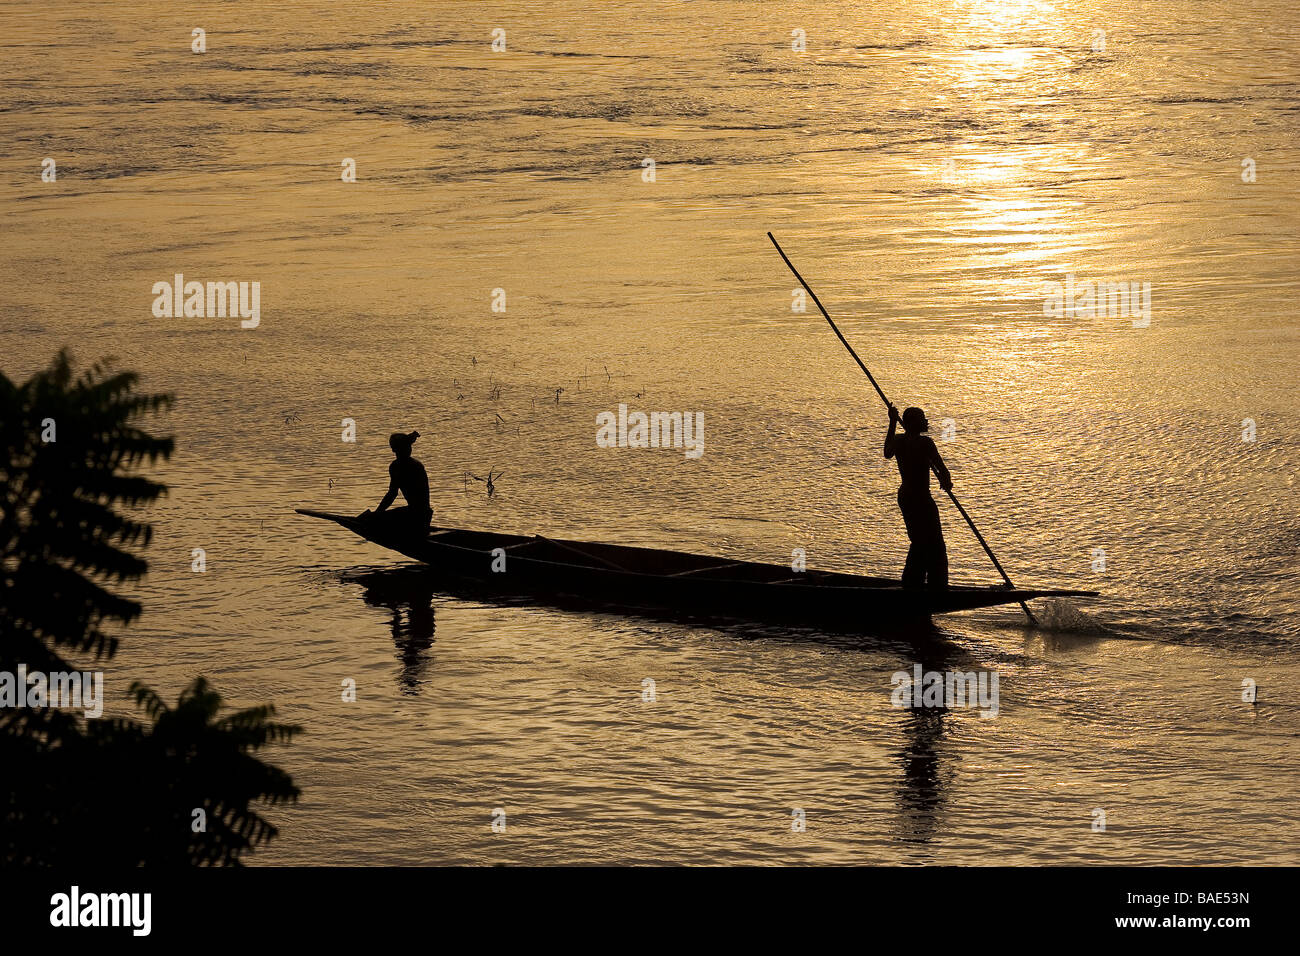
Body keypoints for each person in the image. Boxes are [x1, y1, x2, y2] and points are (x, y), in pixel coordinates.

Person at [884, 405, 951, 589]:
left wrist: (891, 422)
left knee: (919, 541)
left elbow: (887, 452)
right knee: (934, 542)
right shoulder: (925, 443)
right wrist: (946, 482)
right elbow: (943, 470)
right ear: (913, 423)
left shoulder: (899, 441)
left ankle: (914, 583)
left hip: (906, 497)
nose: (926, 421)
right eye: (922, 418)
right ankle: (935, 586)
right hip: (920, 499)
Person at [359, 431, 431, 537]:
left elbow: (392, 494)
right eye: (407, 447)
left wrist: (377, 514)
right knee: (375, 517)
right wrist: (378, 513)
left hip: (416, 516)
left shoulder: (398, 467)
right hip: (424, 515)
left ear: (394, 449)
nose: (409, 449)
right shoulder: (415, 465)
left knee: (371, 519)